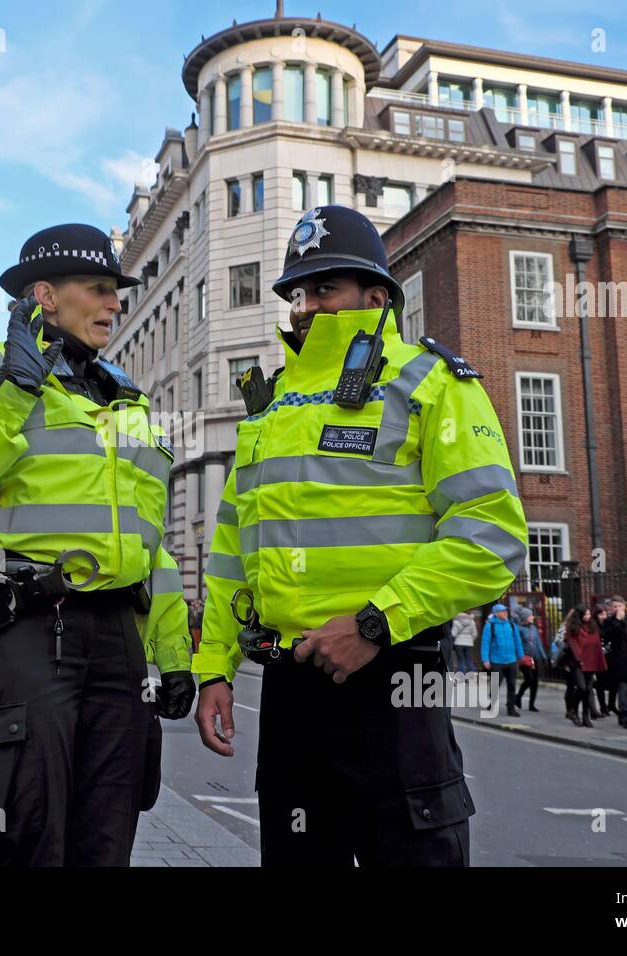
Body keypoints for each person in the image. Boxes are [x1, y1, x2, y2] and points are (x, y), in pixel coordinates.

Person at [192, 205, 528, 867]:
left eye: (325, 289)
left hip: (394, 685)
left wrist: (373, 625)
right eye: (298, 292)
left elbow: (490, 537)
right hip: (291, 694)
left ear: (375, 298)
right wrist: (214, 670)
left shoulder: (430, 384)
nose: (306, 306)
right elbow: (232, 552)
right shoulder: (271, 405)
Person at [0, 223, 194, 867]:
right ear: (45, 294)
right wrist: (11, 395)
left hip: (117, 641)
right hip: (28, 626)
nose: (114, 303)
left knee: (107, 838)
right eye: (98, 289)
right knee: (27, 836)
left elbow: (153, 549)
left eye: (115, 290)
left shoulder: (127, 400)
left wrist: (174, 655)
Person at [600, 595, 627, 729]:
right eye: (615, 607)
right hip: (617, 661)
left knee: (626, 688)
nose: (617, 609)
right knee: (622, 689)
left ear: (624, 606)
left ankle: (613, 706)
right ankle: (624, 717)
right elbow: (606, 636)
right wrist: (617, 620)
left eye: (619, 606)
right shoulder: (609, 622)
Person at [563, 604, 604, 727]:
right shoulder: (572, 628)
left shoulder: (593, 626)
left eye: (588, 614)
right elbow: (573, 644)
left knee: (587, 691)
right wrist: (579, 658)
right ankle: (573, 710)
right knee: (582, 688)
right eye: (585, 614)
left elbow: (596, 644)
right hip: (576, 663)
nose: (588, 616)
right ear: (579, 615)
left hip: (590, 661)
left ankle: (585, 716)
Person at [481, 604, 525, 717]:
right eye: (502, 611)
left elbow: (517, 641)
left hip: (511, 660)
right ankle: (492, 705)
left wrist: (521, 656)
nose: (505, 613)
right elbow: (485, 643)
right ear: (496, 613)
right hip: (496, 661)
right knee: (496, 685)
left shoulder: (512, 625)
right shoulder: (490, 626)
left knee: (512, 685)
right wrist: (485, 659)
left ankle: (511, 708)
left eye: (506, 611)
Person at [515, 611, 544, 712]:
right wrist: (519, 656)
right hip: (525, 657)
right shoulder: (519, 629)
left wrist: (543, 655)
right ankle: (518, 696)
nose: (532, 617)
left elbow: (538, 643)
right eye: (530, 616)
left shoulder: (534, 628)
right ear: (525, 617)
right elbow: (517, 643)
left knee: (535, 682)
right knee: (529, 679)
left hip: (535, 657)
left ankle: (532, 704)